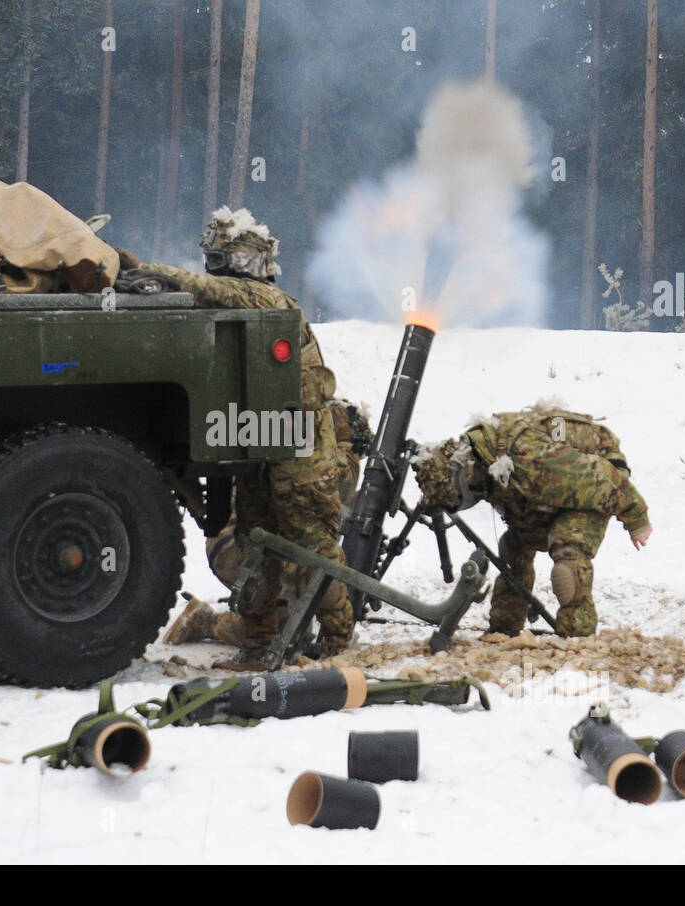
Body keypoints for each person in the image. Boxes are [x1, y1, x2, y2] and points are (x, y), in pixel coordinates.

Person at [124, 207, 358, 656]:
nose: (211, 269)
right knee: (256, 545)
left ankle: (338, 639)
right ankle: (258, 631)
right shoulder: (245, 306)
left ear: (245, 261)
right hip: (264, 446)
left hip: (300, 451)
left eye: (219, 259)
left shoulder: (272, 302)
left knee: (314, 547)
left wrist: (149, 271)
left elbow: (217, 289)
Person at [413, 406, 652, 638]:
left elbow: (602, 478)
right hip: (552, 486)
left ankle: (578, 639)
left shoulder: (529, 459)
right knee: (514, 546)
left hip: (601, 478)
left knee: (569, 546)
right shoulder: (485, 458)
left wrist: (637, 520)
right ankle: (504, 629)